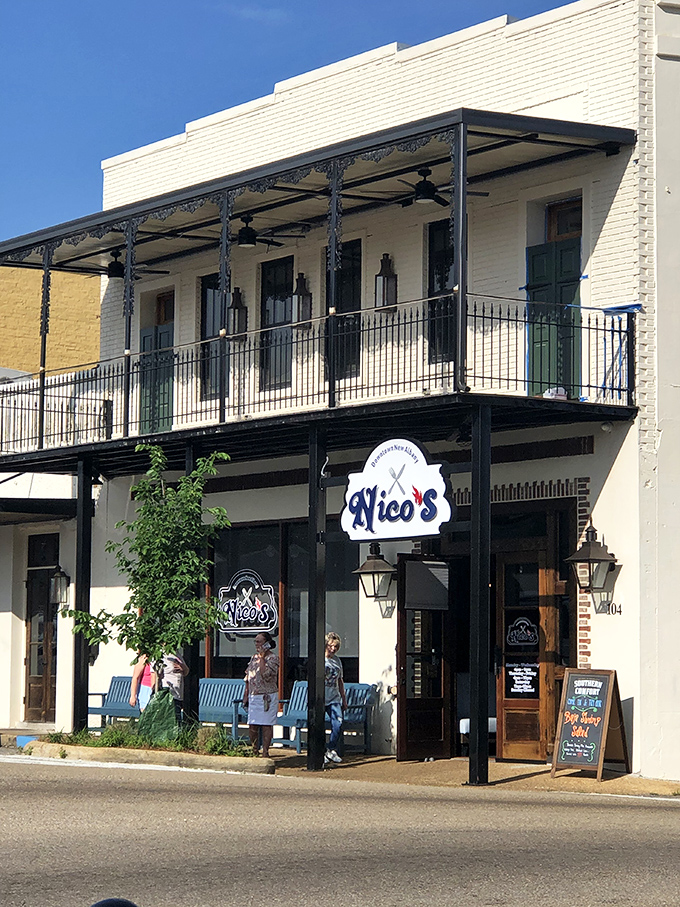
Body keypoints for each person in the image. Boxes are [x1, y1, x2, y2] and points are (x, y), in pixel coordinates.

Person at [243, 632, 279, 757]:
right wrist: (246, 694)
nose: (257, 644)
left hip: (267, 697)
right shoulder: (253, 657)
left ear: (266, 643)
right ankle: (254, 749)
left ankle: (265, 751)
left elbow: (265, 675)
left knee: (266, 725)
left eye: (259, 642)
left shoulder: (273, 658)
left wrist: (263, 658)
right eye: (256, 641)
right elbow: (248, 677)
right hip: (254, 695)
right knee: (253, 724)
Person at [324, 631, 347, 765]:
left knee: (338, 723)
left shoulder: (337, 661)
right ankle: (320, 752)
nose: (333, 649)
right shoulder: (320, 659)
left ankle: (331, 749)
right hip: (322, 697)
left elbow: (340, 680)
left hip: (334, 697)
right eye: (331, 646)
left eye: (336, 647)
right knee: (318, 726)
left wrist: (343, 699)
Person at [161, 652, 189, 723]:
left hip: (178, 693)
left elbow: (186, 671)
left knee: (177, 716)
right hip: (168, 691)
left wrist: (182, 667)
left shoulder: (176, 654)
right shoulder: (162, 655)